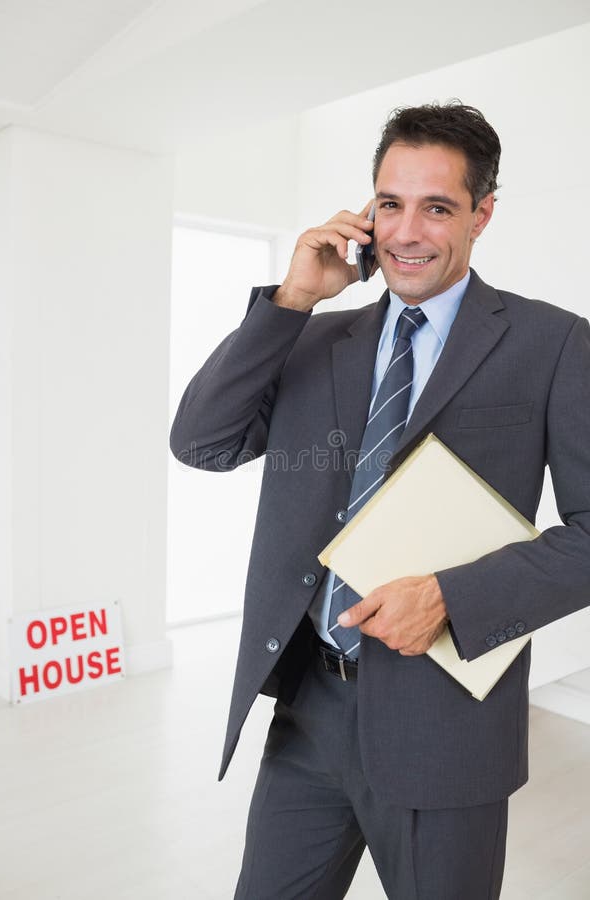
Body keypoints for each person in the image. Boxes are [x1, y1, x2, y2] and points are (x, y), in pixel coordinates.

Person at [170, 102, 590, 899]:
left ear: (482, 215)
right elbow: (202, 443)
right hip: (309, 712)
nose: (406, 232)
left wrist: (450, 598)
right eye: (389, 204)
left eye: (438, 208)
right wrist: (293, 299)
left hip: (448, 728)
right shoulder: (316, 339)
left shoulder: (555, 344)